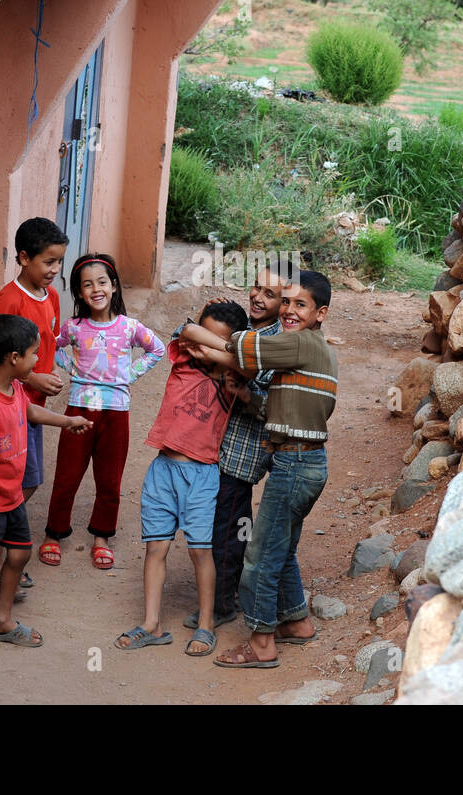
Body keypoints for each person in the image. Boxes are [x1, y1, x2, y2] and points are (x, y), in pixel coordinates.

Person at [179, 270, 337, 669]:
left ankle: (262, 641)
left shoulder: (297, 342)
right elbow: (280, 408)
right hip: (304, 459)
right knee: (280, 549)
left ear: (321, 314)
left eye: (300, 305)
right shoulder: (311, 348)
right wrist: (248, 396)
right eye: (287, 302)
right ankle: (295, 621)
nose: (289, 310)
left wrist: (193, 332)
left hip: (296, 463)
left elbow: (244, 345)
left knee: (261, 555)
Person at [0, 315, 91, 668]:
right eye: (32, 355)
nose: (36, 362)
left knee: (20, 555)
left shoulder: (15, 387)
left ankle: (1, 620)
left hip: (11, 497)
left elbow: (30, 412)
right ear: (13, 358)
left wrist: (67, 422)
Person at [114, 301, 249, 658]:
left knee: (200, 551)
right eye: (205, 337)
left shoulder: (233, 375)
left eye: (217, 342)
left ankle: (206, 624)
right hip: (162, 469)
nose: (202, 348)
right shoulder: (182, 360)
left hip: (201, 474)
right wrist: (203, 343)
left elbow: (246, 361)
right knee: (155, 547)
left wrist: (216, 351)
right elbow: (187, 331)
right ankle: (151, 624)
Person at [182, 264, 290, 632]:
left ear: (284, 303)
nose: (258, 297)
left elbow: (252, 378)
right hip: (214, 445)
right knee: (220, 523)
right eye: (256, 287)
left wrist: (219, 355)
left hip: (240, 455)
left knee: (228, 530)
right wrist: (209, 318)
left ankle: (223, 603)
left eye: (270, 294)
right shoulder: (246, 328)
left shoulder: (275, 341)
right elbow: (190, 333)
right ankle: (222, 593)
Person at [40, 254, 165, 569]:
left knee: (110, 481)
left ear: (113, 287)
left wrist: (129, 375)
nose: (95, 289)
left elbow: (158, 349)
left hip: (116, 414)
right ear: (80, 293)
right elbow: (52, 345)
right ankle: (55, 532)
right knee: (67, 476)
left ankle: (102, 535)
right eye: (86, 284)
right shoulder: (75, 327)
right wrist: (73, 370)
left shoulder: (128, 327)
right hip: (78, 410)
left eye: (102, 282)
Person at [0, 217, 68, 601]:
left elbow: (48, 343)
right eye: (48, 262)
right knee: (20, 481)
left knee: (26, 480)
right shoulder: (9, 300)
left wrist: (52, 369)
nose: (55, 270)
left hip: (34, 405)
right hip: (12, 407)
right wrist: (32, 380)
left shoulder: (52, 297)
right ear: (24, 257)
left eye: (59, 262)